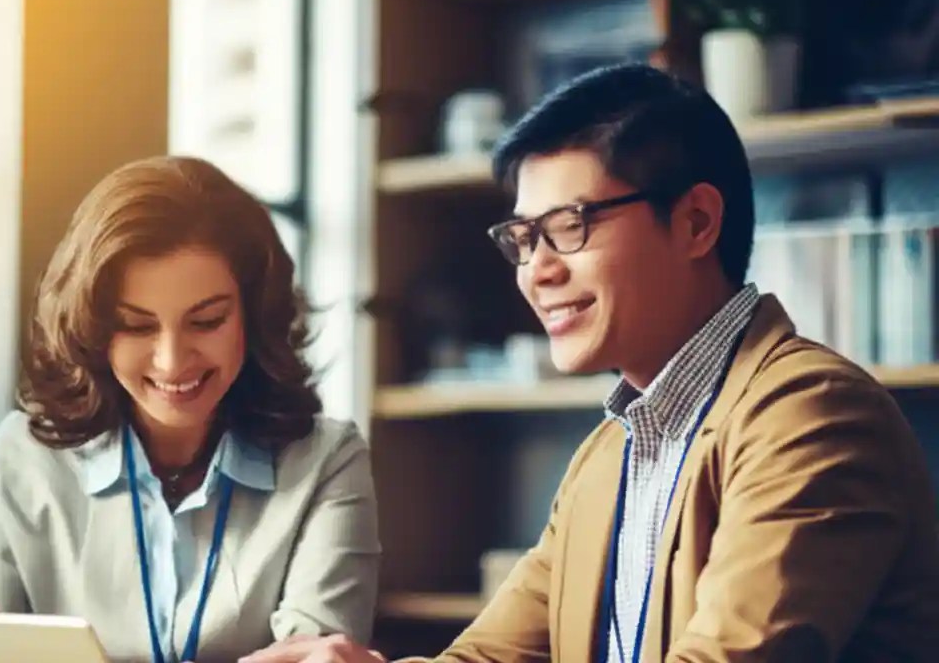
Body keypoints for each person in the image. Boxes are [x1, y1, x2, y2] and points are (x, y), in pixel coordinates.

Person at [242, 64, 939, 663]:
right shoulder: (610, 452)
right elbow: (490, 656)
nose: (535, 271)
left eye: (569, 227)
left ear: (696, 222)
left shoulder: (810, 415)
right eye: (522, 237)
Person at [0, 156, 380, 663]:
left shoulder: (328, 461)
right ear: (93, 328)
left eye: (207, 321)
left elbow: (318, 655)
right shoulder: (19, 460)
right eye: (137, 326)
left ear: (254, 314)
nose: (172, 361)